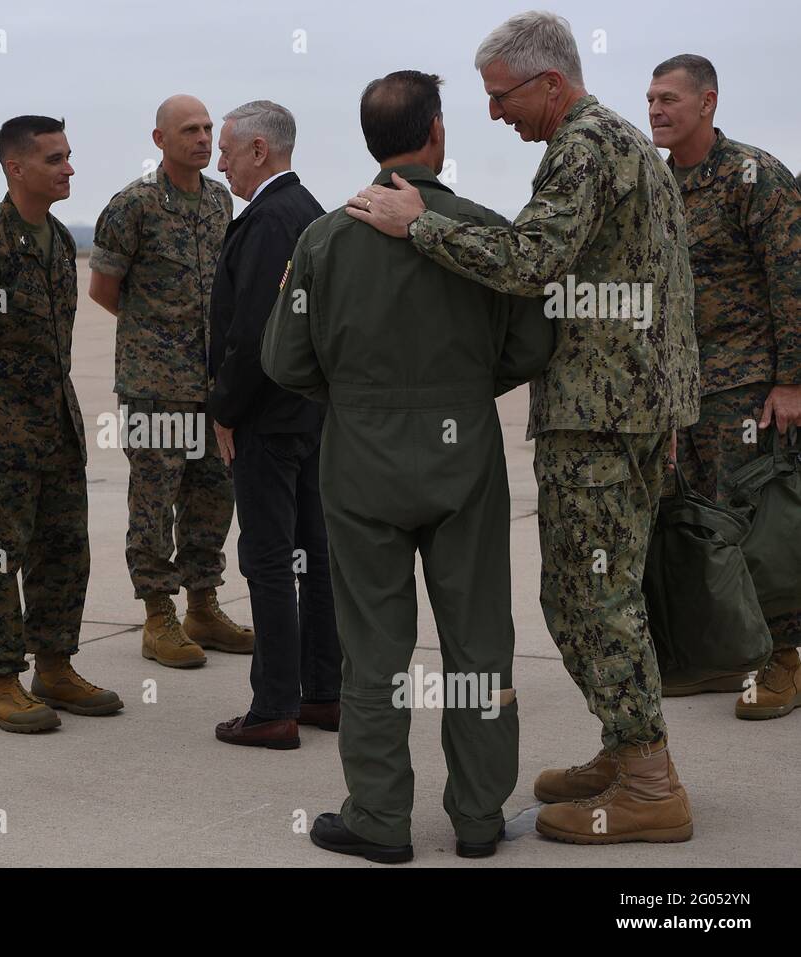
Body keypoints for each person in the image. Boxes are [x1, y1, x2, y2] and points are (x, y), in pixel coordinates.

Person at [349, 11, 701, 845]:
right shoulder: (618, 146)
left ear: (550, 82)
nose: (496, 113)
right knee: (600, 591)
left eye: (503, 97)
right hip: (635, 405)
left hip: (602, 413)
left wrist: (419, 226)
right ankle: (627, 749)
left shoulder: (582, 149)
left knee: (591, 595)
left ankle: (651, 785)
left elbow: (526, 262)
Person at [263, 71, 552, 861]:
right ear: (436, 133)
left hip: (361, 458)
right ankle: (479, 817)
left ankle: (381, 819)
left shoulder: (322, 238)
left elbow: (284, 360)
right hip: (465, 458)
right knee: (479, 639)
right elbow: (530, 345)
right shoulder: (480, 229)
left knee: (375, 645)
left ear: (369, 140)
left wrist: (362, 397)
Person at [0, 115, 123, 733]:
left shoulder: (60, 241)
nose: (68, 168)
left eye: (68, 156)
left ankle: (56, 666)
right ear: (16, 167)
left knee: (65, 550)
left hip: (55, 429)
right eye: (54, 159)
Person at [647, 54, 801, 712]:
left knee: (756, 528)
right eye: (650, 99)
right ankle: (721, 653)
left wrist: (792, 381)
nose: (655, 110)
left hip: (747, 386)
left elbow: (792, 280)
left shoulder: (755, 175)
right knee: (693, 525)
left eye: (669, 99)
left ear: (707, 103)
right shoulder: (654, 185)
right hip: (681, 392)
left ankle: (785, 661)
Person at [90, 95, 253, 668]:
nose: (204, 139)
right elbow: (105, 291)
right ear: (159, 140)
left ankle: (203, 604)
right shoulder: (132, 206)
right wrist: (156, 338)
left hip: (212, 385)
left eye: (209, 129)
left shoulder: (219, 200)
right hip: (155, 385)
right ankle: (157, 614)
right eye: (190, 129)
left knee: (213, 495)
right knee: (154, 501)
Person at [207, 100, 339, 751]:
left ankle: (273, 707)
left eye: (227, 150)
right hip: (308, 412)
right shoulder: (310, 211)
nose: (219, 161)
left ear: (259, 150)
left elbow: (253, 331)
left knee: (267, 558)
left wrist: (225, 410)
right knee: (313, 555)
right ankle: (322, 689)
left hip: (266, 415)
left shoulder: (265, 220)